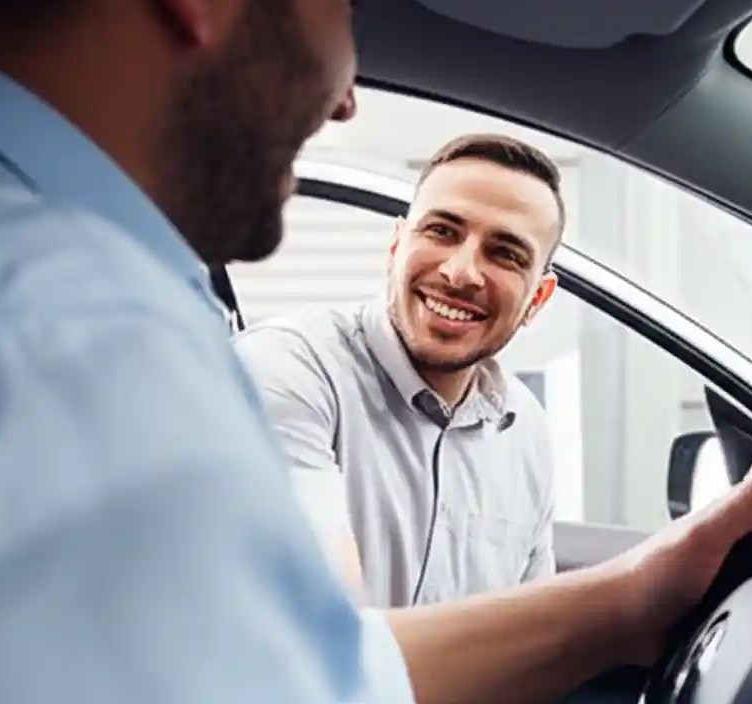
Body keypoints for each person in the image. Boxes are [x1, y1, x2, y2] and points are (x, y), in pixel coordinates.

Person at [0, 0, 752, 703]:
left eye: (506, 253)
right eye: (342, 1)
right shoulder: (59, 346)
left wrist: (630, 604)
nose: (343, 97)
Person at [234, 133, 566, 606]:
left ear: (538, 299)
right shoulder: (288, 370)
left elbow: (531, 633)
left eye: (505, 254)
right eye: (442, 231)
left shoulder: (526, 431)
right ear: (396, 247)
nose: (460, 273)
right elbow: (324, 623)